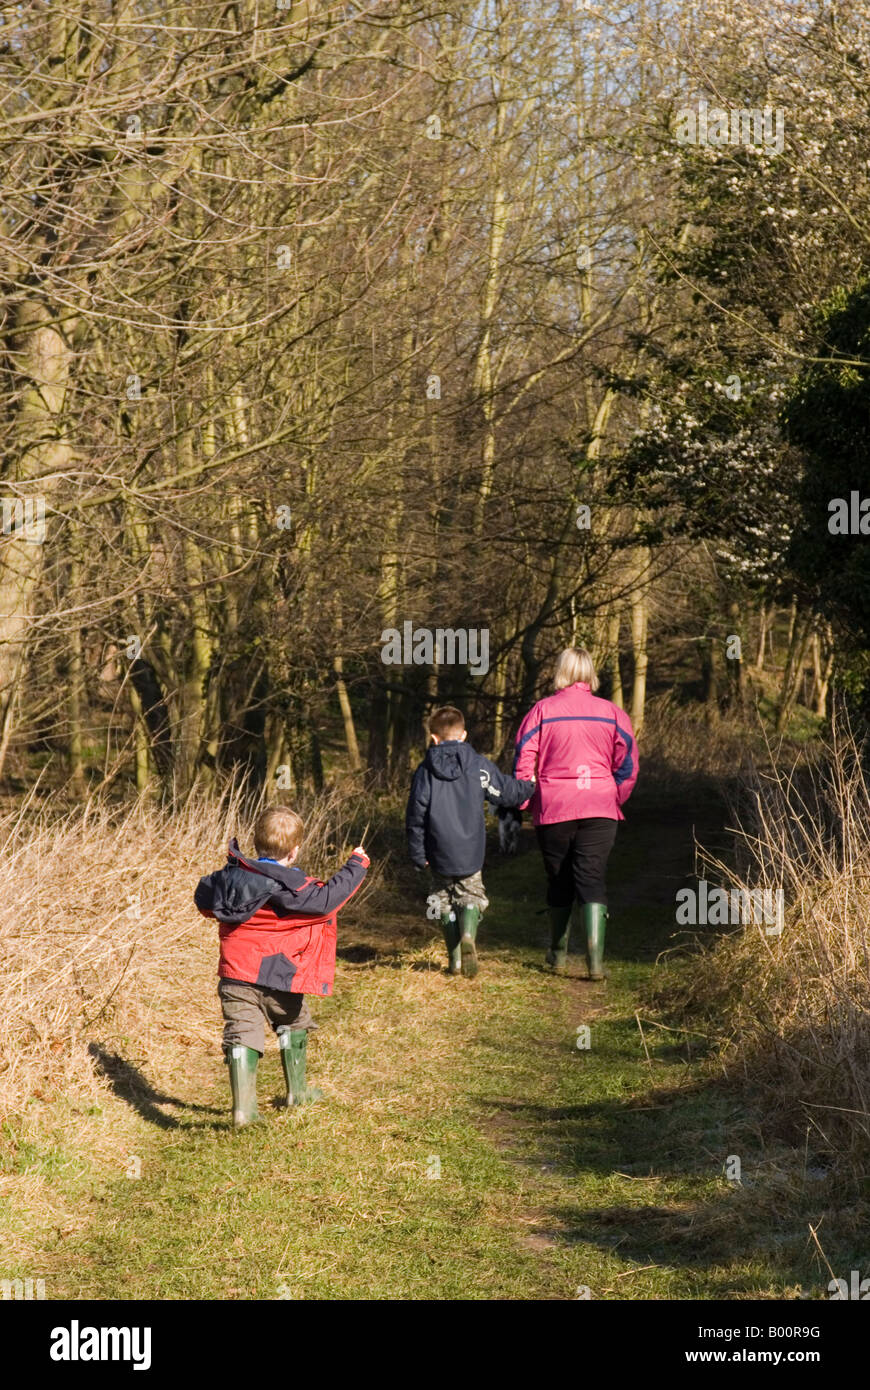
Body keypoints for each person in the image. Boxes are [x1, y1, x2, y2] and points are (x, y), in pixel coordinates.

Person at [194, 804, 369, 1127]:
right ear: (295, 850)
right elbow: (329, 900)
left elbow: (204, 899)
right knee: (293, 1023)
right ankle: (296, 1092)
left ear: (256, 843)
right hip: (278, 974)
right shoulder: (292, 887)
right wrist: (356, 864)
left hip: (235, 974)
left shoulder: (231, 877)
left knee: (241, 1032)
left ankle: (243, 1109)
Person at [514, 647, 637, 979]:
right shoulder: (613, 713)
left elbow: (524, 760)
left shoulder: (542, 711)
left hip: (555, 805)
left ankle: (558, 953)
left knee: (560, 879)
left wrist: (526, 802)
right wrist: (612, 797)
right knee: (592, 878)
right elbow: (628, 765)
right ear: (590, 673)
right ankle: (595, 963)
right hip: (600, 804)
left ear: (561, 672)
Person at [406, 705, 535, 977]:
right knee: (472, 896)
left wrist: (418, 855)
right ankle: (468, 934)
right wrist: (529, 785)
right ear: (463, 735)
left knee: (442, 901)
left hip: (438, 852)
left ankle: (453, 961)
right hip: (470, 852)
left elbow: (415, 816)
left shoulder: (424, 772)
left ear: (433, 738)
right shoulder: (479, 766)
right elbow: (505, 792)